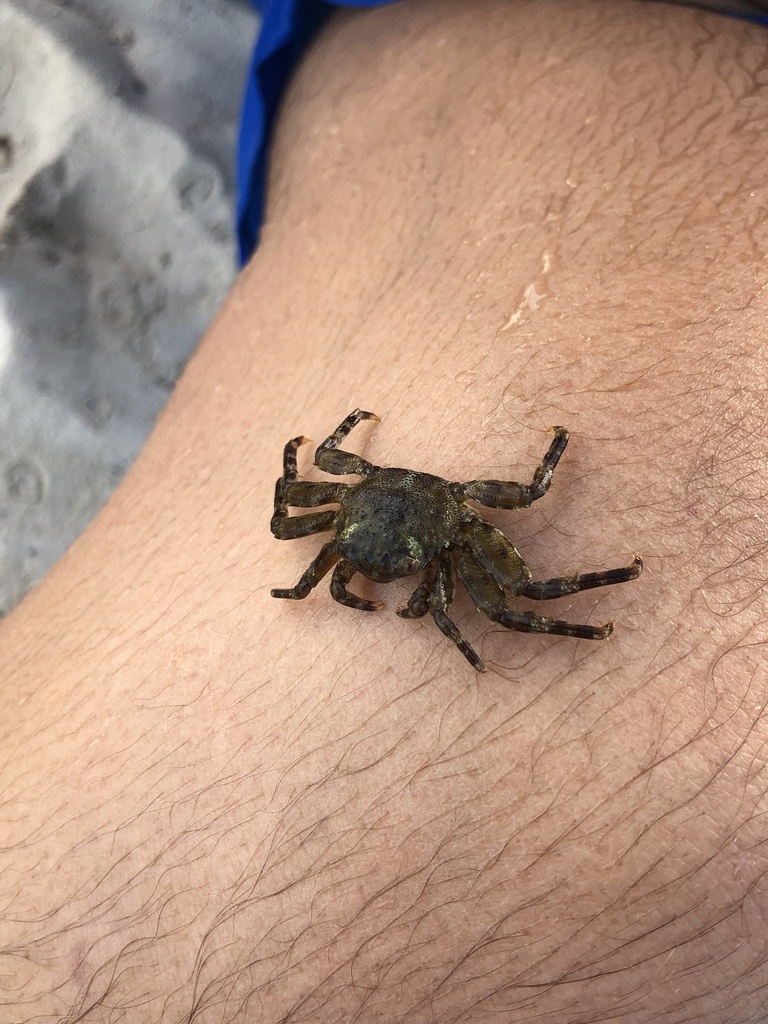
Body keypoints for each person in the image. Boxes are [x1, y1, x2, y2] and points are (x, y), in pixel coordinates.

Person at [2, 1, 768, 1020]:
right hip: (397, 106)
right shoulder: (354, 526)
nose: (372, 579)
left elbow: (434, 526)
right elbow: (303, 513)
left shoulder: (421, 527)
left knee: (517, 587)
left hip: (391, 115)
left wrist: (548, 466)